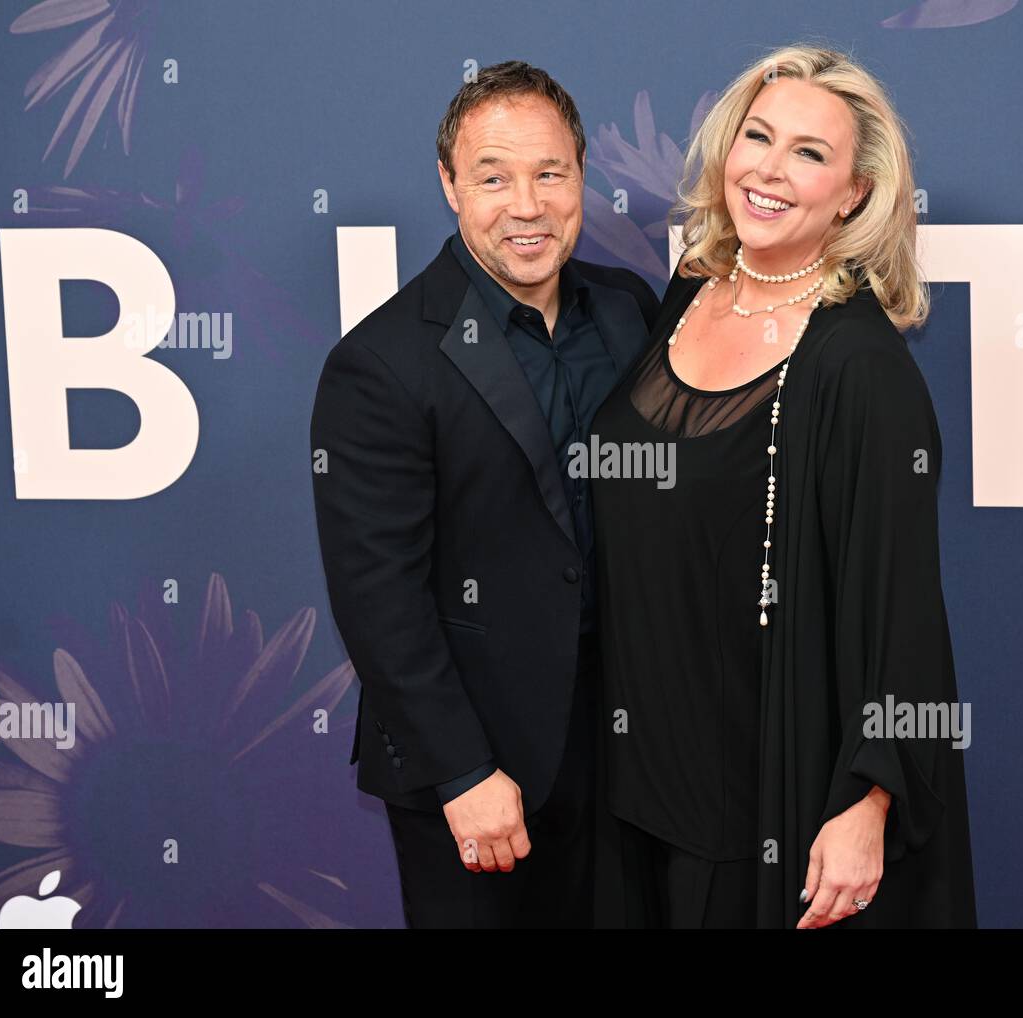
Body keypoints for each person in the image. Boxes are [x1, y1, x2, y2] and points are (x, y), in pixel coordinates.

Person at [590, 44, 978, 928]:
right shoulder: (690, 290)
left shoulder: (860, 366)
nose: (769, 169)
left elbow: (906, 612)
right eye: (757, 136)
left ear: (854, 193)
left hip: (758, 799)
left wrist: (868, 803)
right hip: (633, 786)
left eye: (809, 153)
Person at [310, 60, 658, 928]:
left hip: (622, 754)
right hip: (474, 770)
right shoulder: (382, 362)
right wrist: (462, 774)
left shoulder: (629, 312)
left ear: (582, 173)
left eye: (550, 173)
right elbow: (377, 596)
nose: (527, 204)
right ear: (449, 187)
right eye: (493, 178)